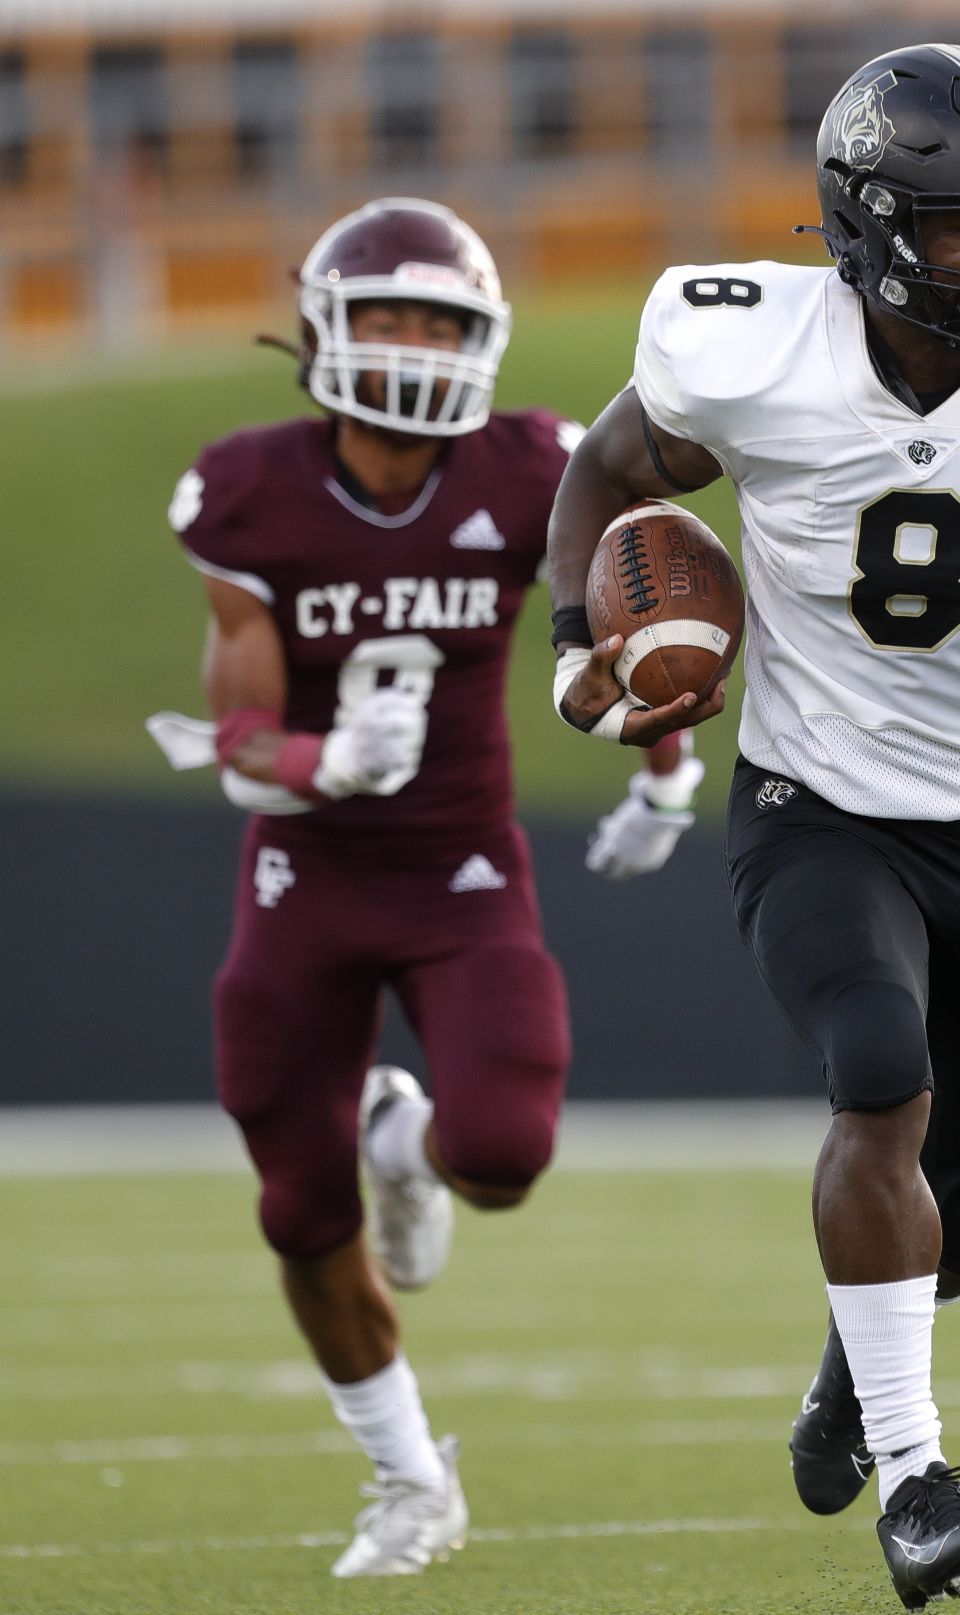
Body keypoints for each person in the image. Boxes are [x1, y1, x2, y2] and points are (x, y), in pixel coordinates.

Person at [539, 44, 960, 1609]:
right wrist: (585, 661)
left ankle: (858, 1365)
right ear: (870, 222)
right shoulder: (753, 355)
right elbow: (602, 474)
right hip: (814, 804)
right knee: (877, 1075)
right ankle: (920, 1484)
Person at [146, 198, 699, 1576]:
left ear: (486, 339)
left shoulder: (529, 468)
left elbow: (626, 612)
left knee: (504, 1151)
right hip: (307, 876)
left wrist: (667, 770)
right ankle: (408, 1480)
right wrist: (322, 757)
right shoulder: (253, 489)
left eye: (441, 321)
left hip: (462, 871)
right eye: (387, 315)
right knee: (296, 1205)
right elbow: (235, 741)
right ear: (325, 330)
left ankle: (409, 1144)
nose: (412, 345)